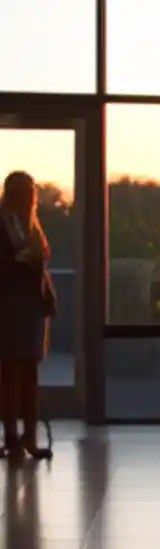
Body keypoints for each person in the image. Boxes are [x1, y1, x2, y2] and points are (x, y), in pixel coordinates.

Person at [0, 172, 55, 461]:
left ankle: (27, 437)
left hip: (31, 306)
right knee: (10, 374)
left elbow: (40, 259)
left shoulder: (29, 224)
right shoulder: (5, 223)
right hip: (11, 304)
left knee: (27, 374)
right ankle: (14, 438)